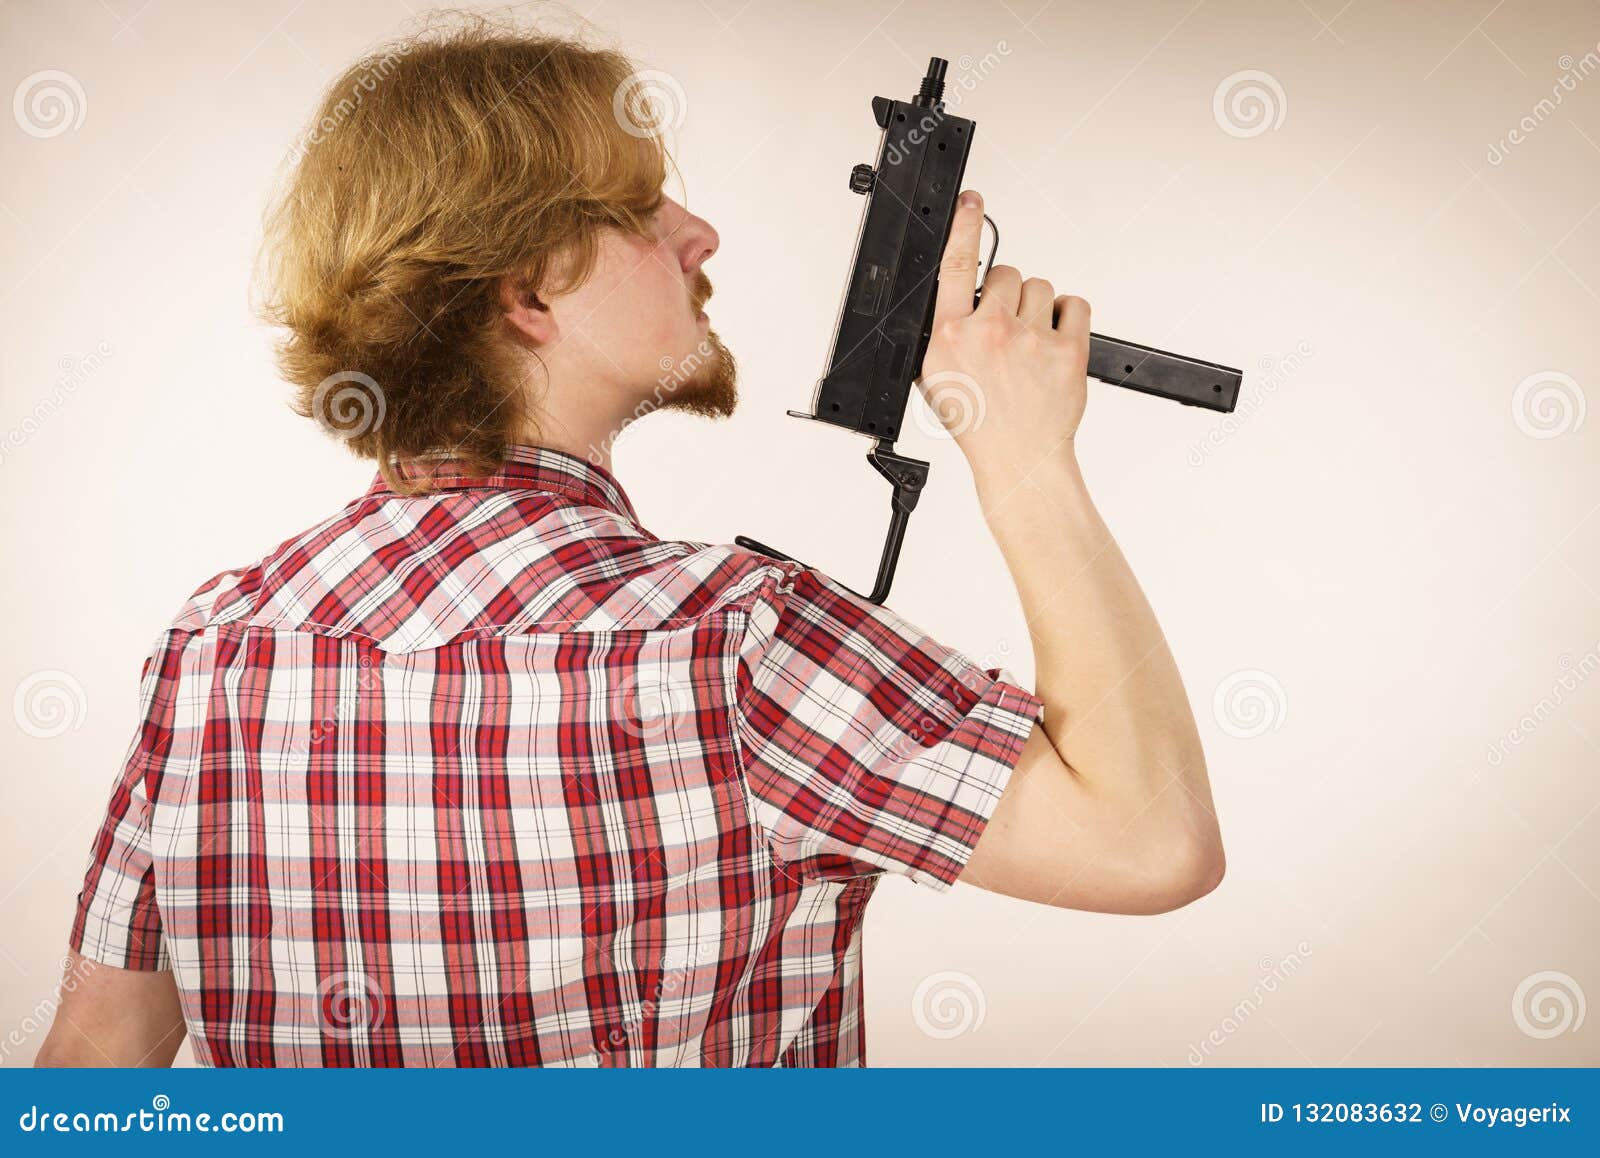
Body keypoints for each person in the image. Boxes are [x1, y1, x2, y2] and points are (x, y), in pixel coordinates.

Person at [36, 17, 1223, 1068]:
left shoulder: (217, 650)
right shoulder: (734, 644)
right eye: (642, 208)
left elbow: (95, 1063)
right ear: (528, 294)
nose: (698, 234)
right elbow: (1147, 841)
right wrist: (1022, 456)